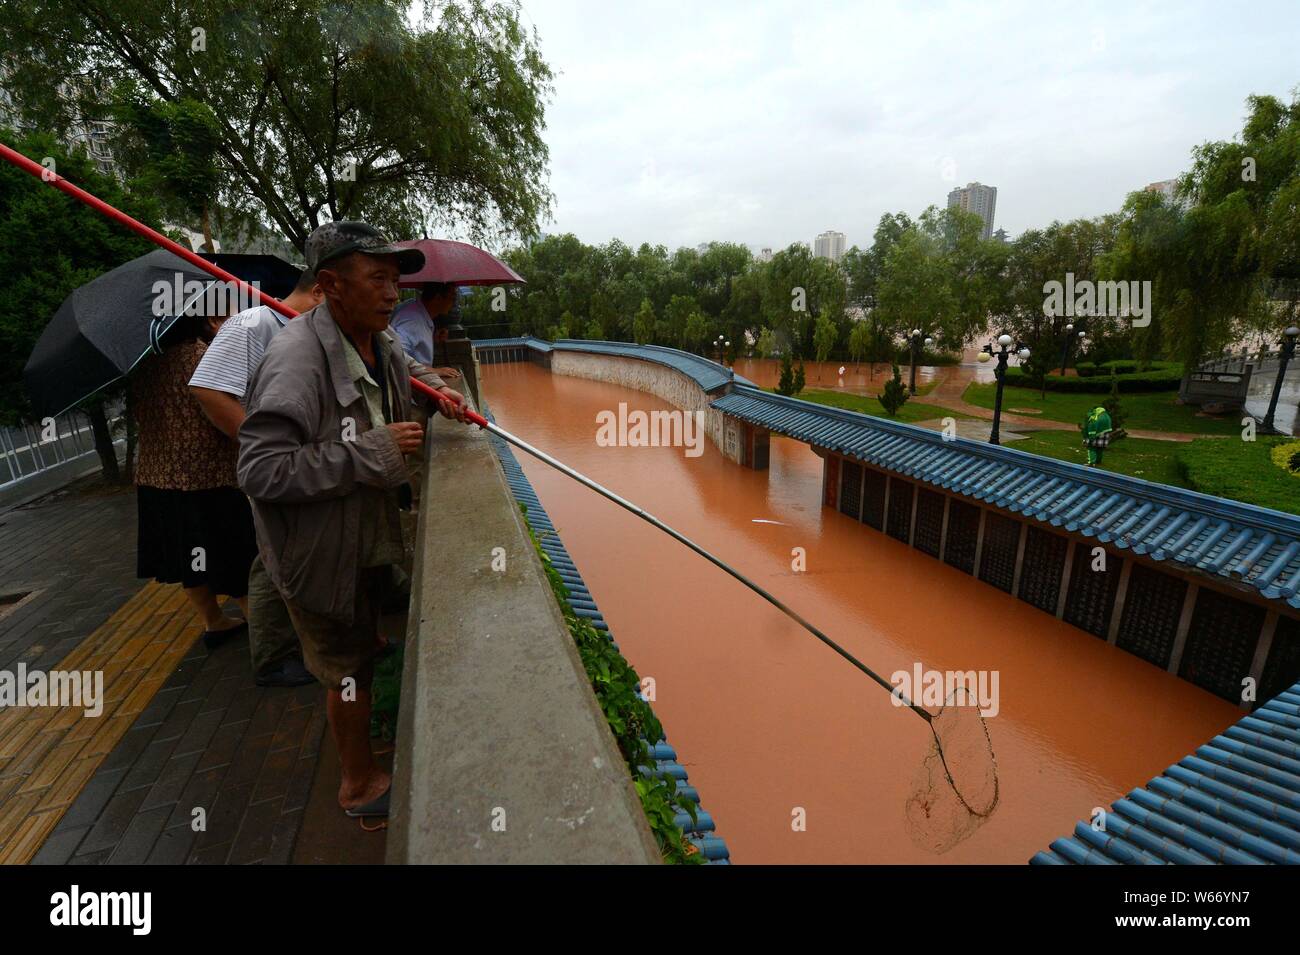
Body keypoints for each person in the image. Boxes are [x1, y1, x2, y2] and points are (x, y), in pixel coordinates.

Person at [238, 220, 468, 818]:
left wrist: (435, 392)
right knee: (344, 664)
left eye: (395, 280)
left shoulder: (377, 339)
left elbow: (397, 387)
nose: (393, 293)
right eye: (377, 279)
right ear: (331, 285)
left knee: (362, 651)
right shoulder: (295, 360)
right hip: (319, 551)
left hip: (363, 535)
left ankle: (366, 742)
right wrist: (369, 453)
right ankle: (358, 784)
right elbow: (260, 470)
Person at [189, 268, 325, 687]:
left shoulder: (301, 327)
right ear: (321, 290)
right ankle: (273, 658)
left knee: (295, 550)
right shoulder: (255, 323)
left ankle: (310, 642)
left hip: (304, 460)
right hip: (274, 463)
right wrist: (260, 444)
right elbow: (208, 389)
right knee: (274, 556)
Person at [132, 312, 257, 648]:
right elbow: (226, 412)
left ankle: (213, 622)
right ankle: (267, 639)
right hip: (207, 479)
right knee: (240, 555)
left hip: (157, 479)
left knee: (189, 557)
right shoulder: (202, 357)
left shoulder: (145, 364)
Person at [390, 281, 462, 380]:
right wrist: (435, 371)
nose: (454, 303)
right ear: (438, 298)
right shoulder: (412, 321)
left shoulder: (413, 307)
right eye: (452, 298)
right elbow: (397, 358)